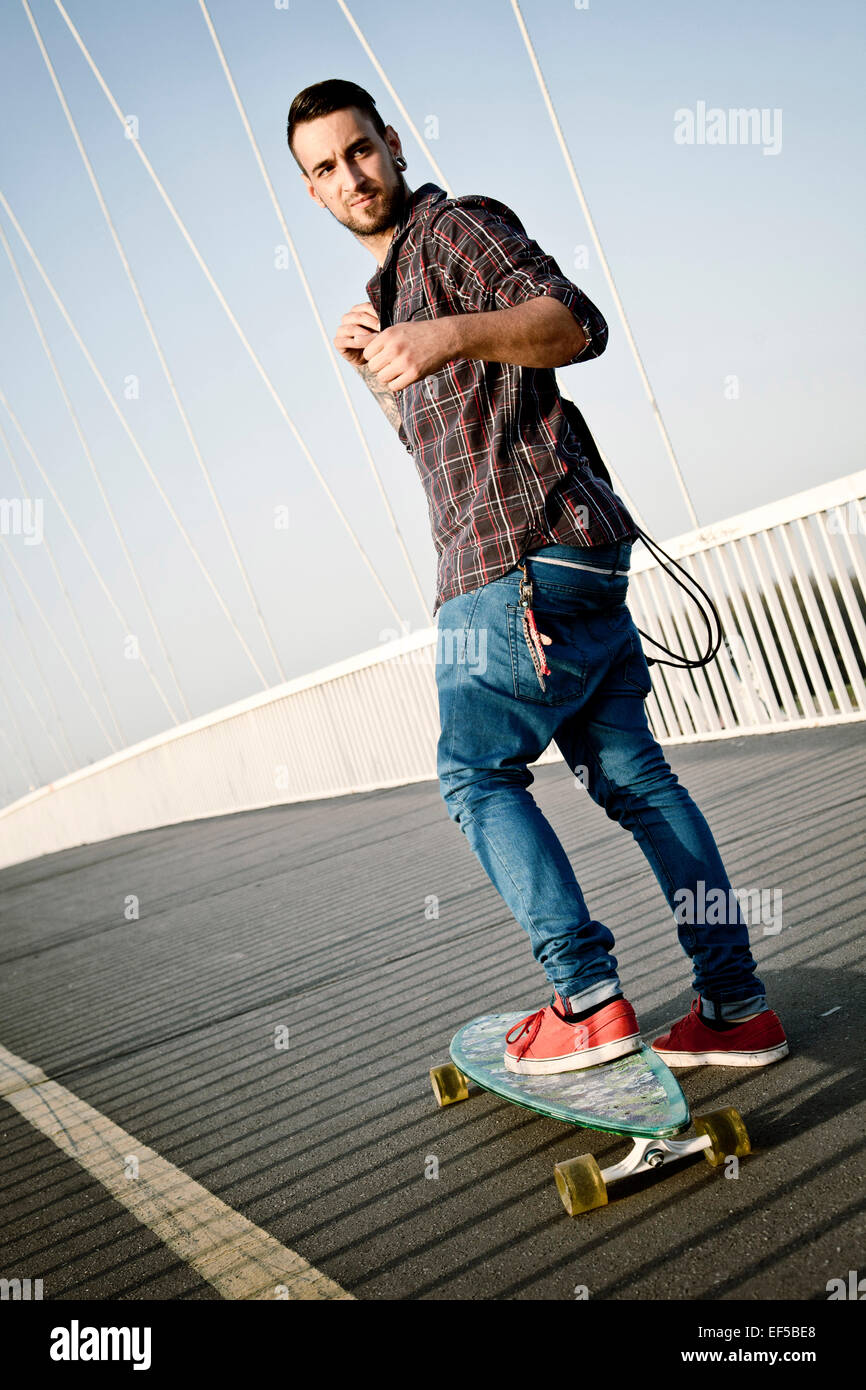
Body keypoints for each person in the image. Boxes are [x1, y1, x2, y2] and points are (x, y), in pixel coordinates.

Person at [286, 78, 789, 1075]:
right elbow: (441, 452)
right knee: (635, 777)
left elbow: (575, 324)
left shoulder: (456, 227)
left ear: (392, 140)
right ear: (310, 193)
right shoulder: (389, 296)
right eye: (323, 169)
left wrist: (447, 332)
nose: (350, 176)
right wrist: (375, 365)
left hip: (511, 563)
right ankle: (733, 1004)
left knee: (474, 772)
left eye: (358, 150)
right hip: (572, 554)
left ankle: (585, 997)